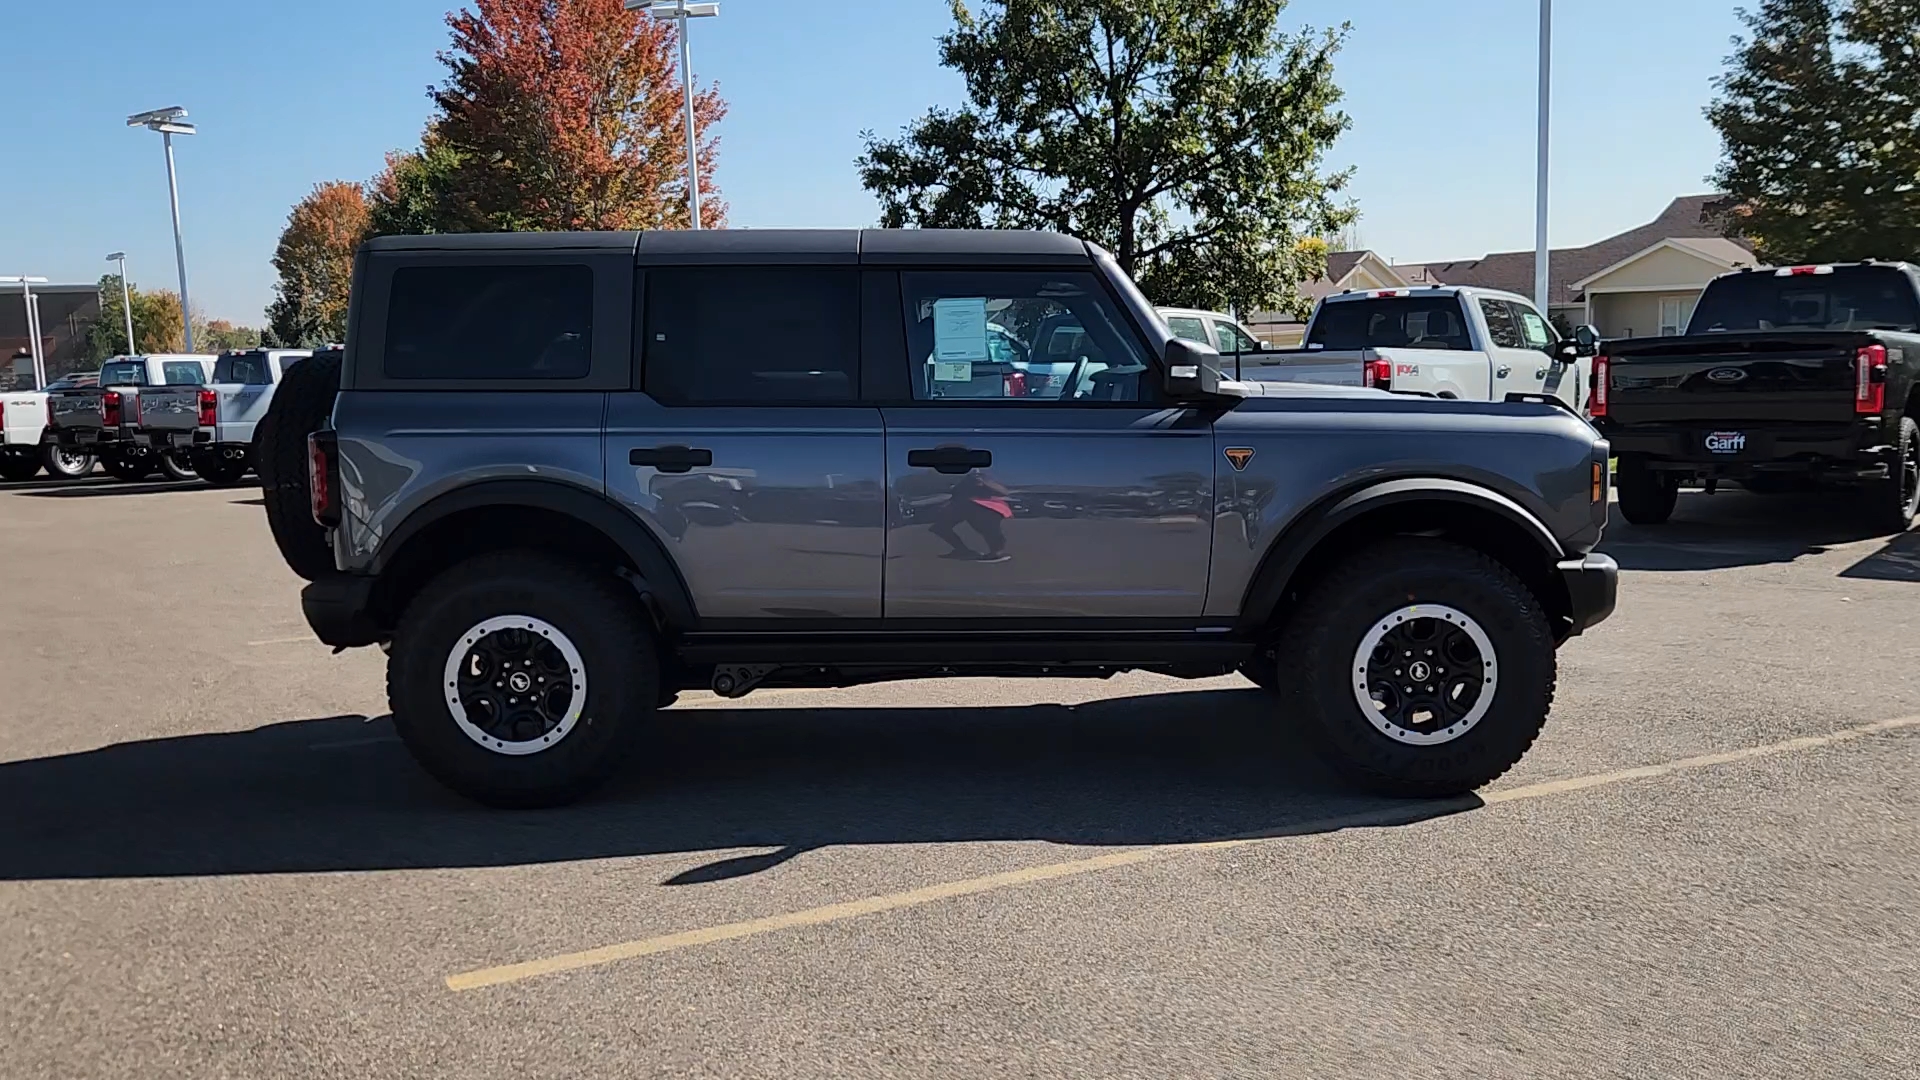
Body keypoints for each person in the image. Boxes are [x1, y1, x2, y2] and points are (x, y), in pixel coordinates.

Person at [929, 471, 1013, 562]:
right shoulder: (958, 478)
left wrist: (983, 481)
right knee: (940, 527)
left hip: (982, 507)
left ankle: (997, 552)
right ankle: (962, 550)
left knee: (988, 527)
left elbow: (1004, 492)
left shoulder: (979, 476)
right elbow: (957, 495)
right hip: (963, 507)